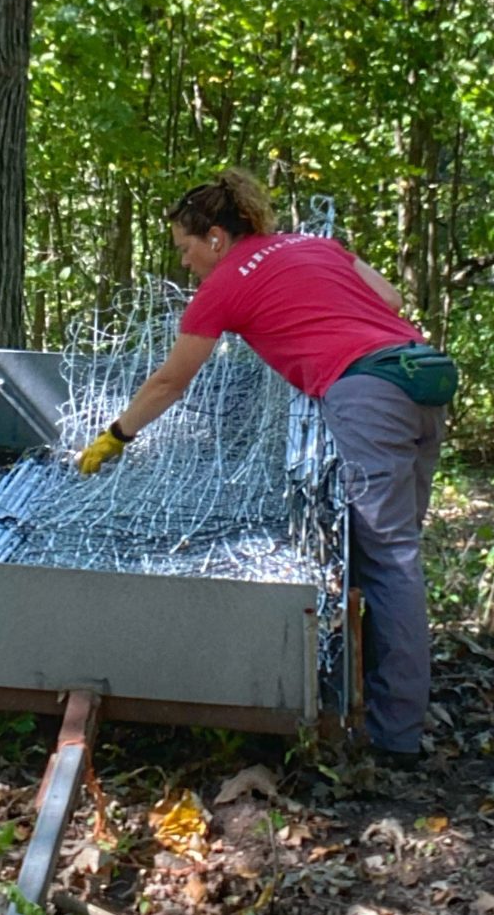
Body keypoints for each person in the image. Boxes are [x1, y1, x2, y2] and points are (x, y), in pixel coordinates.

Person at [76, 169, 454, 763]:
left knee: (389, 563)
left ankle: (396, 736)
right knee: (392, 555)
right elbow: (391, 300)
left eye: (186, 248)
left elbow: (173, 379)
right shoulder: (314, 245)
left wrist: (116, 435)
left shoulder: (223, 286)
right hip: (422, 380)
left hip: (367, 395)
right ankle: (372, 692)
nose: (186, 263)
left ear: (217, 238)